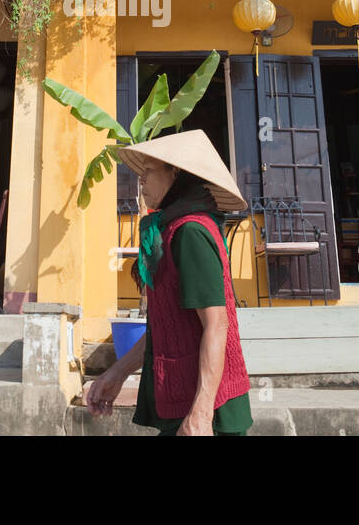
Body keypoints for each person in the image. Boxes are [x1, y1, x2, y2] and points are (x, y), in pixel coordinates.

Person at [84, 130, 252, 436]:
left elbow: (217, 325)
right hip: (182, 401)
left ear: (176, 174)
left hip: (209, 411)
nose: (141, 181)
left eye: (148, 172)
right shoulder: (170, 229)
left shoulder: (190, 232)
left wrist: (201, 414)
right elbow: (167, 326)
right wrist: (117, 372)